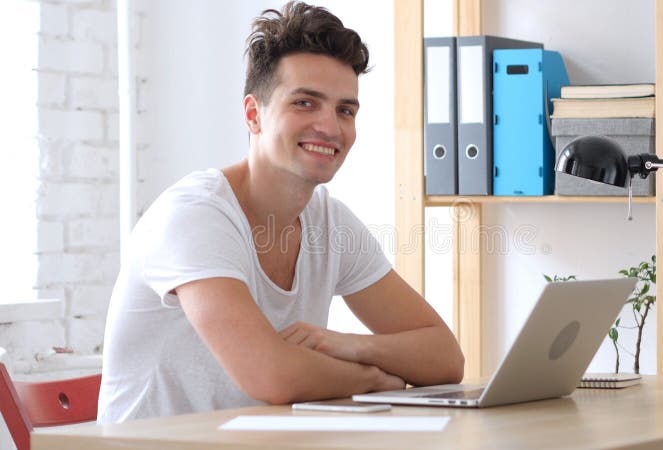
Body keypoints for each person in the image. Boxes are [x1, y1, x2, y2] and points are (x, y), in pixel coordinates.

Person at [96, 2, 464, 424]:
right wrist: (376, 380)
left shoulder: (330, 222)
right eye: (305, 103)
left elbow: (444, 357)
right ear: (254, 114)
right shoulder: (196, 215)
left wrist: (349, 345)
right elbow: (270, 375)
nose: (330, 126)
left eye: (345, 110)